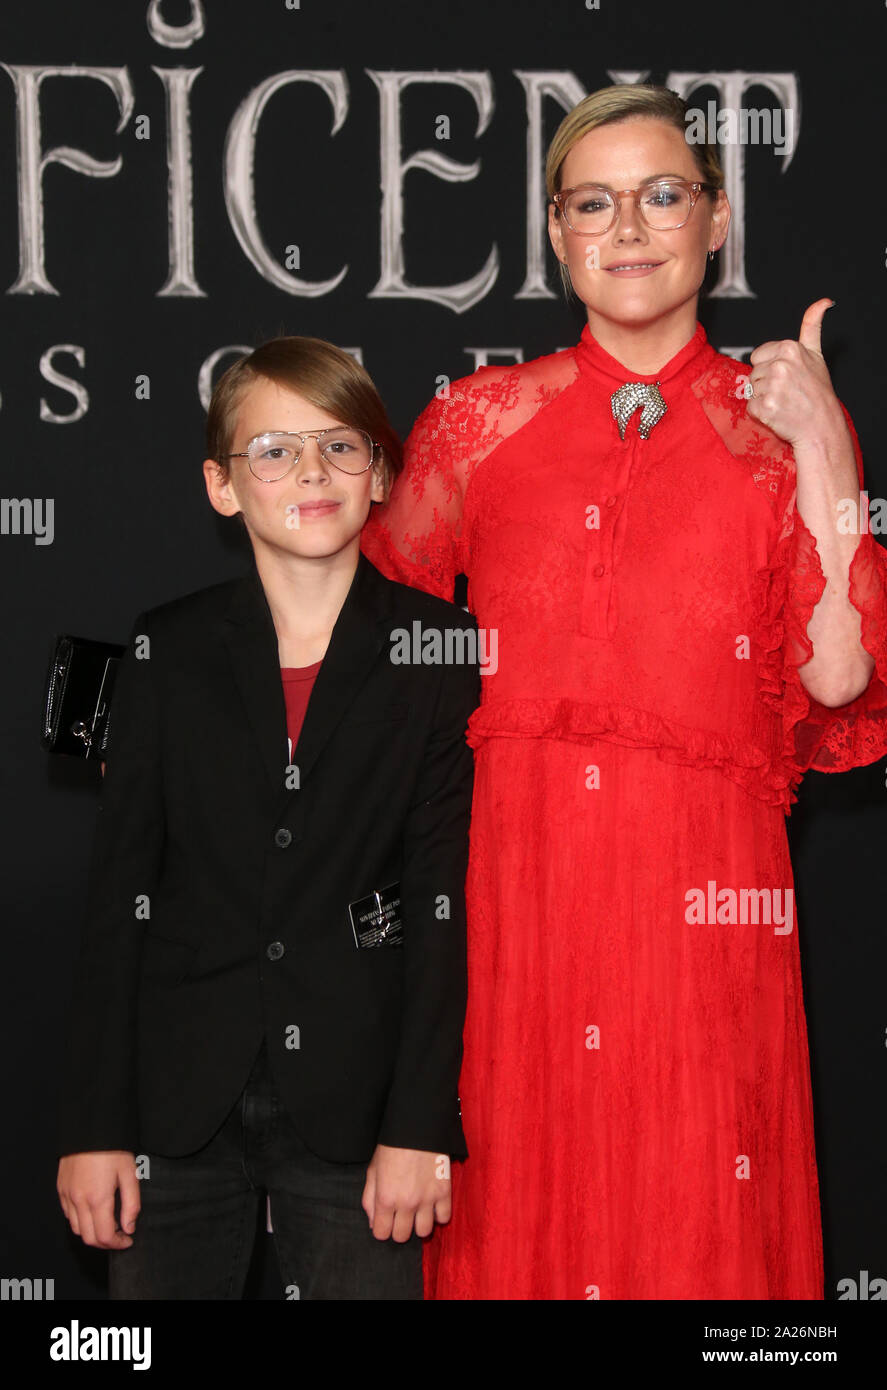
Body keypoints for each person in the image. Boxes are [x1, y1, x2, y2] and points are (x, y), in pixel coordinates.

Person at [359, 83, 887, 1299]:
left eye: (663, 196)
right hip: (515, 901)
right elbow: (366, 652)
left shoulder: (781, 436)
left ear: (715, 222)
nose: (630, 228)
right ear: (555, 233)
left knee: (695, 1216)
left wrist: (827, 449)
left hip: (704, 911)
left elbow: (838, 673)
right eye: (593, 203)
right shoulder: (474, 424)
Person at [55, 336, 480, 1300]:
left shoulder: (439, 650)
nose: (310, 472)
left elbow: (442, 899)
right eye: (274, 450)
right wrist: (94, 1125)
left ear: (378, 473)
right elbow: (120, 894)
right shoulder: (169, 646)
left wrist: (419, 1122)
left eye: (338, 446)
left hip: (358, 1108)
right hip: (174, 1108)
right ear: (221, 484)